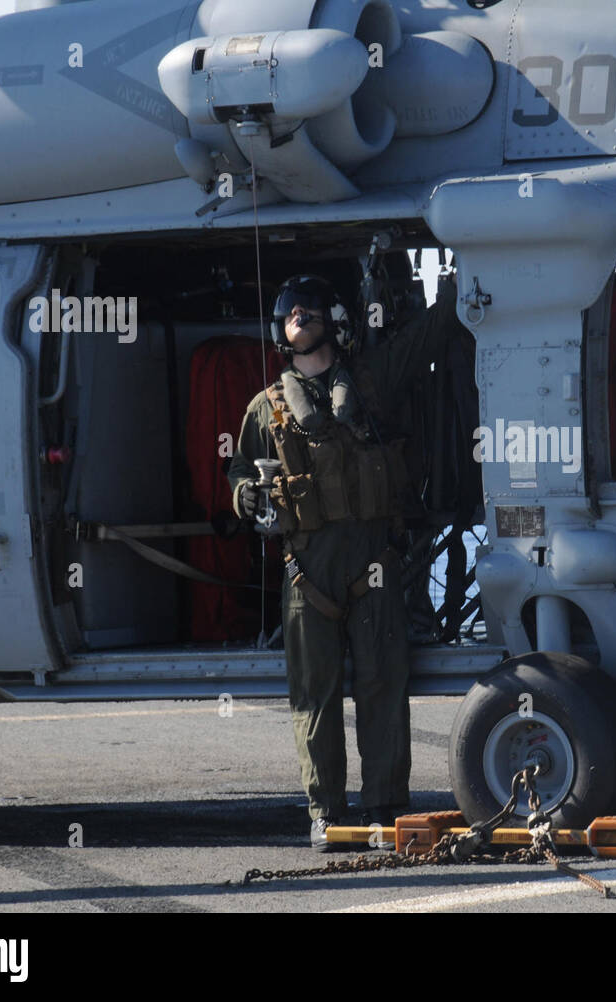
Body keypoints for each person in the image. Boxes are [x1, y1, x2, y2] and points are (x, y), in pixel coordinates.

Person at [228, 269, 459, 849]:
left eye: (308, 310)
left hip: (374, 559)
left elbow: (424, 341)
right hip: (306, 568)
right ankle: (326, 813)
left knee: (384, 685)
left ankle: (385, 806)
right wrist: (245, 495)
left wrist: (455, 291)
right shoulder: (265, 408)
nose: (298, 318)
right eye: (289, 312)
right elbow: (238, 475)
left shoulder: (372, 382)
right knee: (315, 694)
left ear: (332, 320)